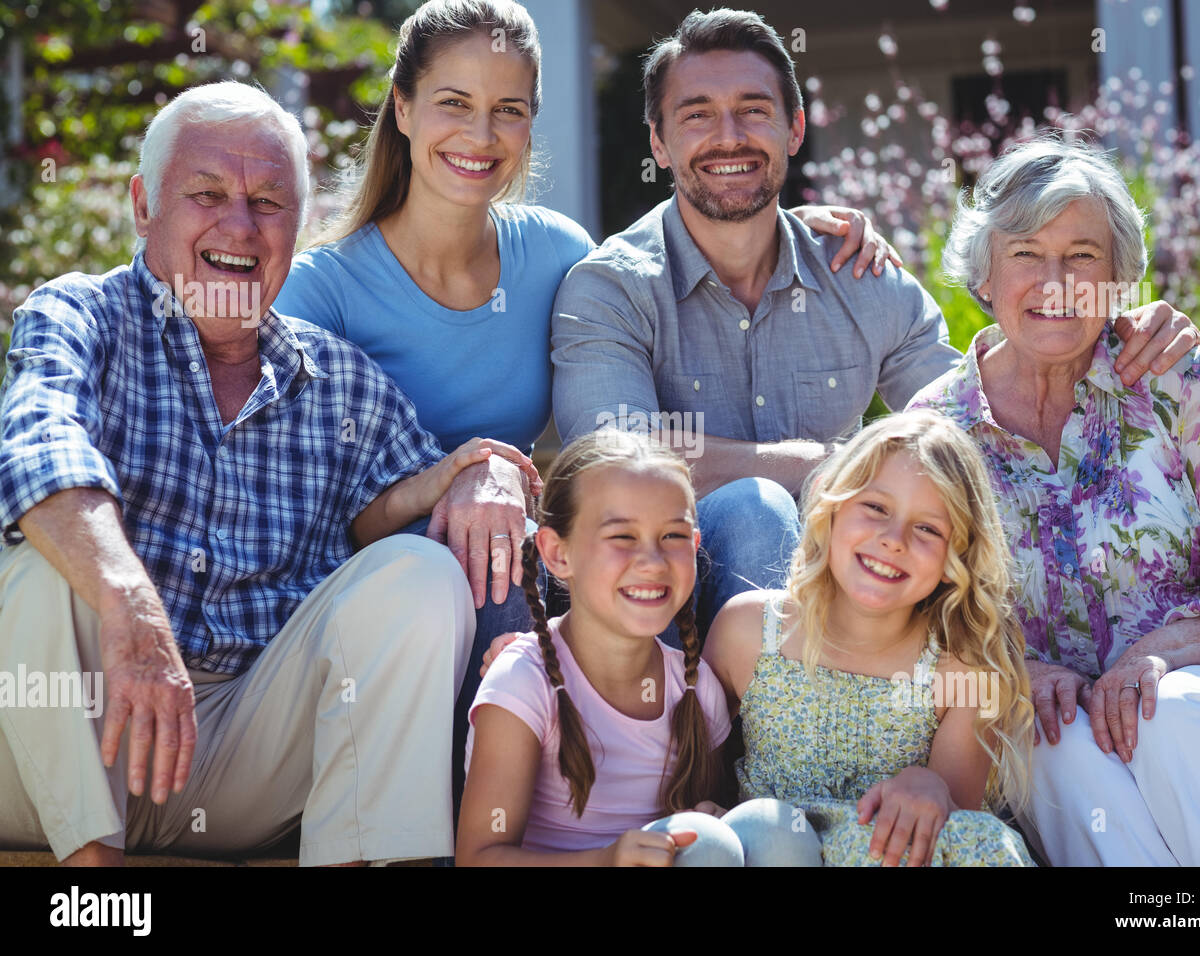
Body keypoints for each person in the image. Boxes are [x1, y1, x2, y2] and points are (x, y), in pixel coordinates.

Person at [273, 0, 899, 796]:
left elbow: (683, 237)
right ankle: (487, 821)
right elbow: (311, 507)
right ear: (401, 107)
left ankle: (746, 802)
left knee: (729, 518)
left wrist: (785, 225)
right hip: (400, 581)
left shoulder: (554, 253)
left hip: (539, 549)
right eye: (453, 104)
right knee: (488, 552)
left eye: (509, 110)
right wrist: (455, 480)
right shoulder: (319, 291)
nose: (481, 135)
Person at [551, 7, 1200, 645]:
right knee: (756, 508)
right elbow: (614, 462)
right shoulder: (612, 287)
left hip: (852, 598)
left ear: (795, 128)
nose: (730, 136)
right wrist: (820, 465)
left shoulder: (860, 275)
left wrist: (1104, 322)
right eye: (697, 115)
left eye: (754, 111)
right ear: (658, 142)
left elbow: (973, 422)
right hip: (653, 594)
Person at [0, 81, 538, 866]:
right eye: (207, 194)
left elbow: (421, 486)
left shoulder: (338, 381)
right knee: (40, 563)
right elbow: (36, 449)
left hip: (234, 758)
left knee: (418, 573)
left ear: (302, 223)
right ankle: (95, 891)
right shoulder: (79, 316)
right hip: (54, 748)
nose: (240, 226)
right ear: (144, 205)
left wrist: (478, 476)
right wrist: (134, 616)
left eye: (269, 201)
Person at [909, 135, 1200, 866]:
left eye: (1083, 256)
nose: (1056, 280)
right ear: (984, 276)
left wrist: (1151, 660)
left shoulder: (1175, 381)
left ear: (1118, 277)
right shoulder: (935, 432)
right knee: (1058, 750)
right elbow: (921, 629)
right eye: (1026, 252)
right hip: (1058, 726)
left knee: (1171, 714)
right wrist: (1014, 672)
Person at [458, 429, 827, 866]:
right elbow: (479, 857)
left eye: (672, 536)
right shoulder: (522, 682)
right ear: (558, 554)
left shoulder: (696, 687)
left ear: (694, 547)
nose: (652, 561)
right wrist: (606, 859)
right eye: (622, 537)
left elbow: (701, 828)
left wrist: (710, 814)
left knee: (775, 830)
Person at [703, 411, 1036, 866]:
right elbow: (697, 780)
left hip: (885, 856)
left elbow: (954, 827)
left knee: (985, 842)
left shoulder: (962, 665)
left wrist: (931, 787)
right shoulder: (748, 630)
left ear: (958, 552)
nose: (893, 539)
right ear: (831, 506)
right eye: (876, 508)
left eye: (928, 529)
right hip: (771, 849)